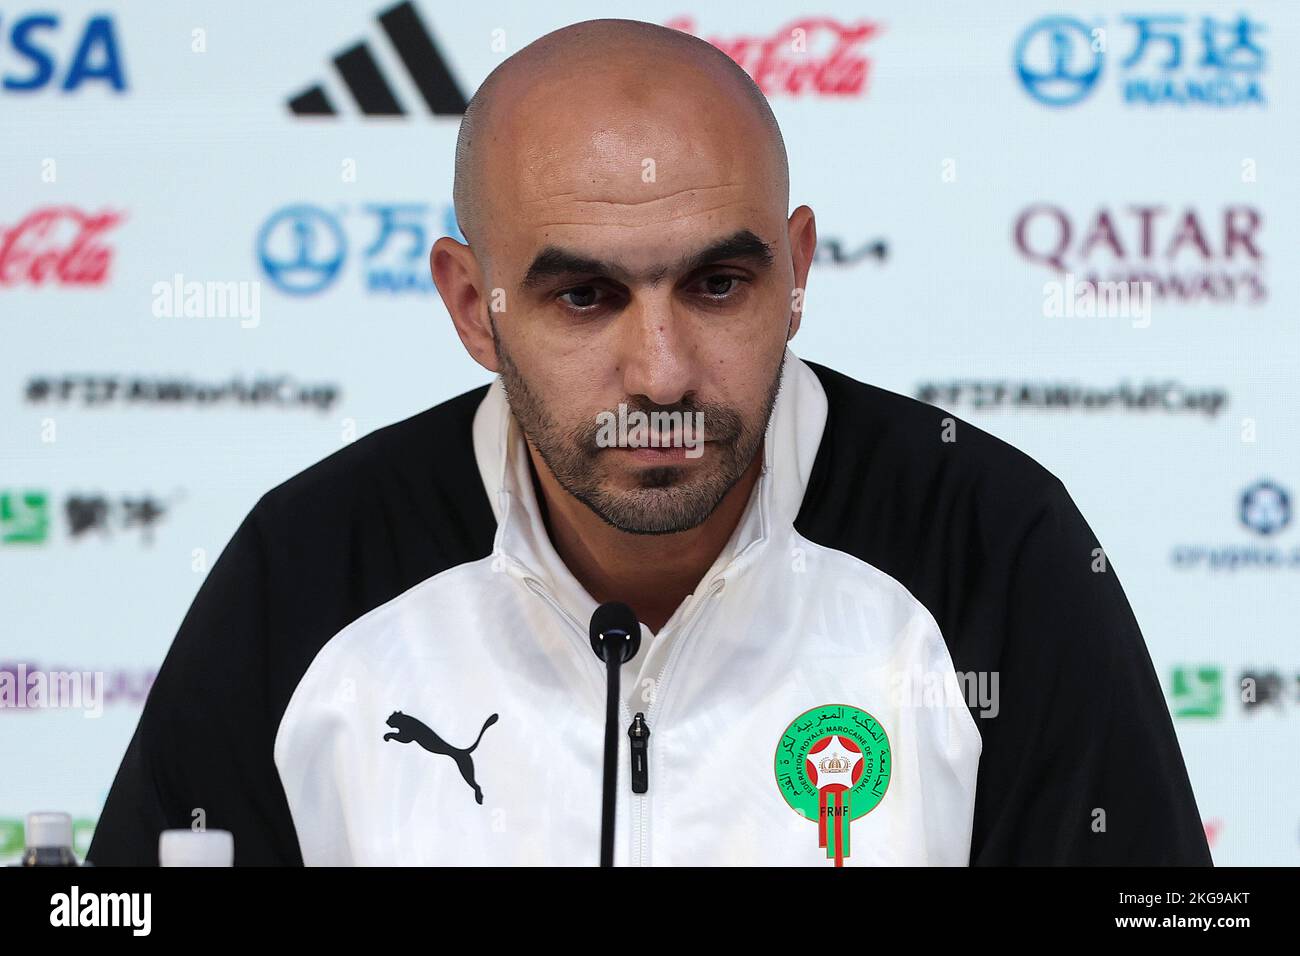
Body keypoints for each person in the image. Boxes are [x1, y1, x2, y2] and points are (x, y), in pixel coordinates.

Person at [87, 18, 1210, 866]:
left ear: (798, 270)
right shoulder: (312, 564)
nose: (662, 369)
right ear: (474, 305)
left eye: (718, 284)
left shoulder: (991, 544)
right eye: (585, 297)